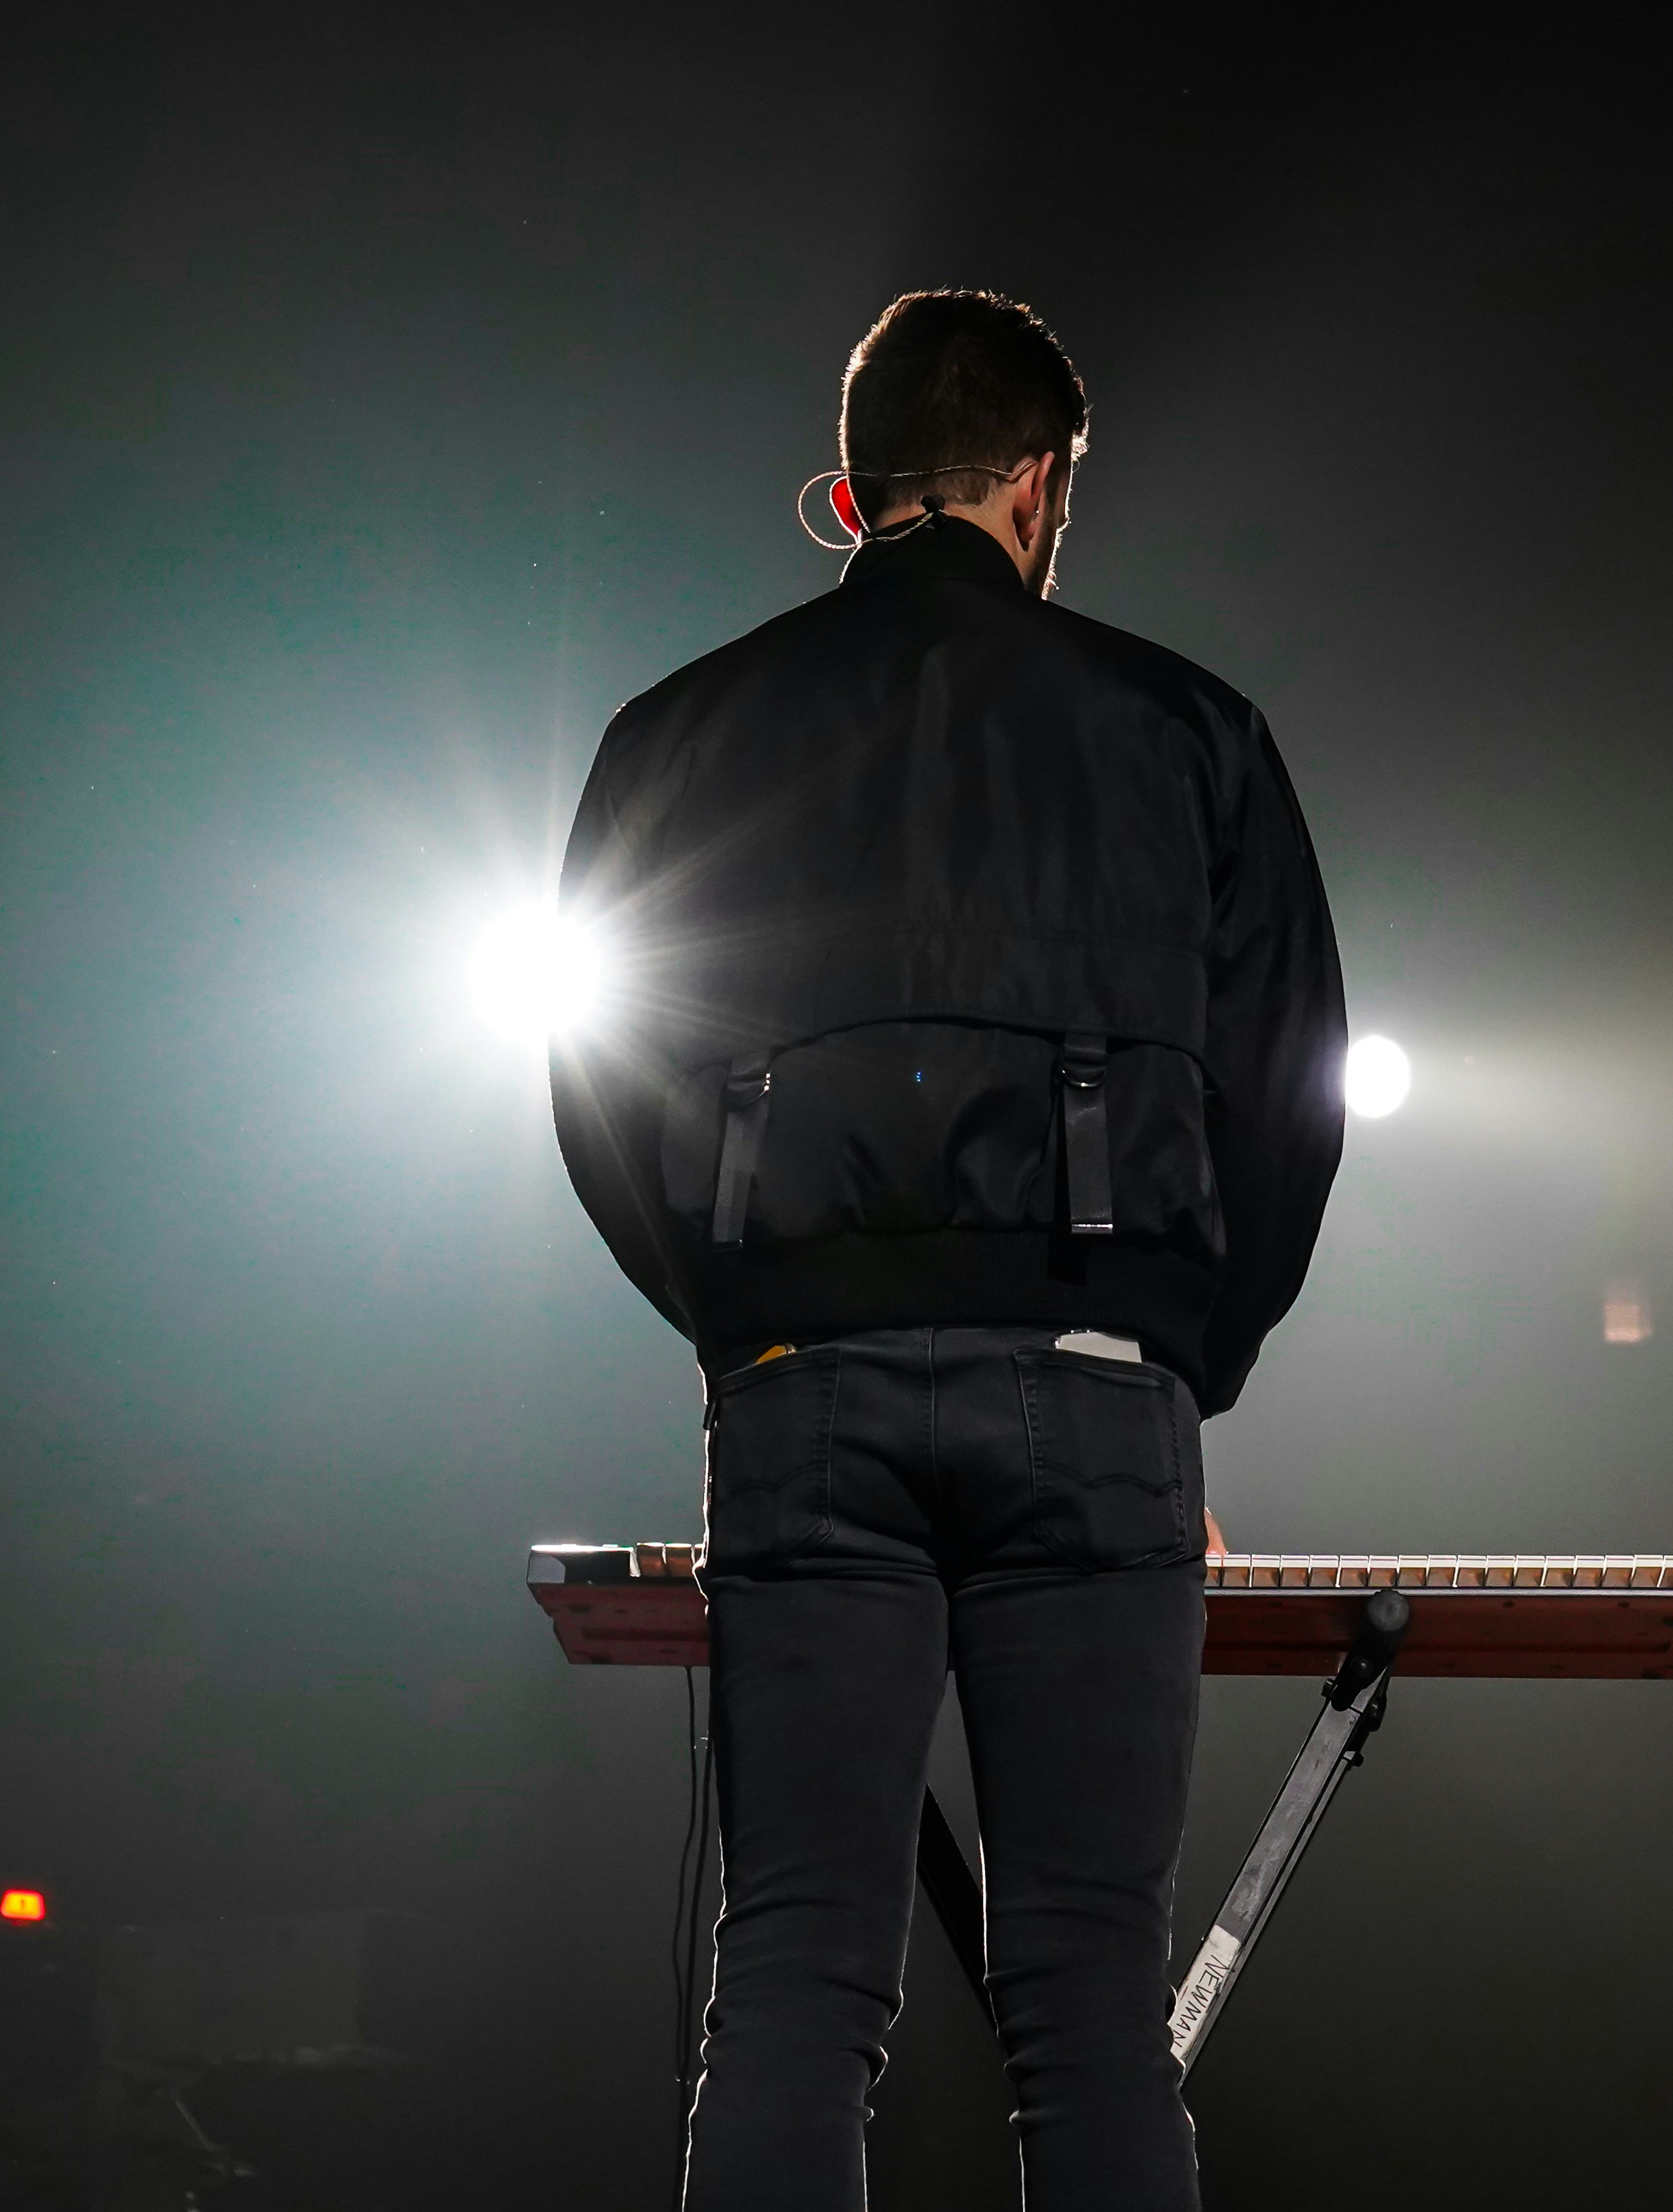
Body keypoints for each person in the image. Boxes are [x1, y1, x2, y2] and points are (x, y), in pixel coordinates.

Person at [550, 288, 1346, 2211]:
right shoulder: (1187, 728)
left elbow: (594, 1096)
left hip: (800, 1400)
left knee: (796, 1979)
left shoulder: (675, 728)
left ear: (852, 488)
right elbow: (1288, 1090)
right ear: (1039, 480)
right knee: (1084, 1992)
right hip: (1093, 1398)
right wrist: (1182, 1359)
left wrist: (748, 1322)